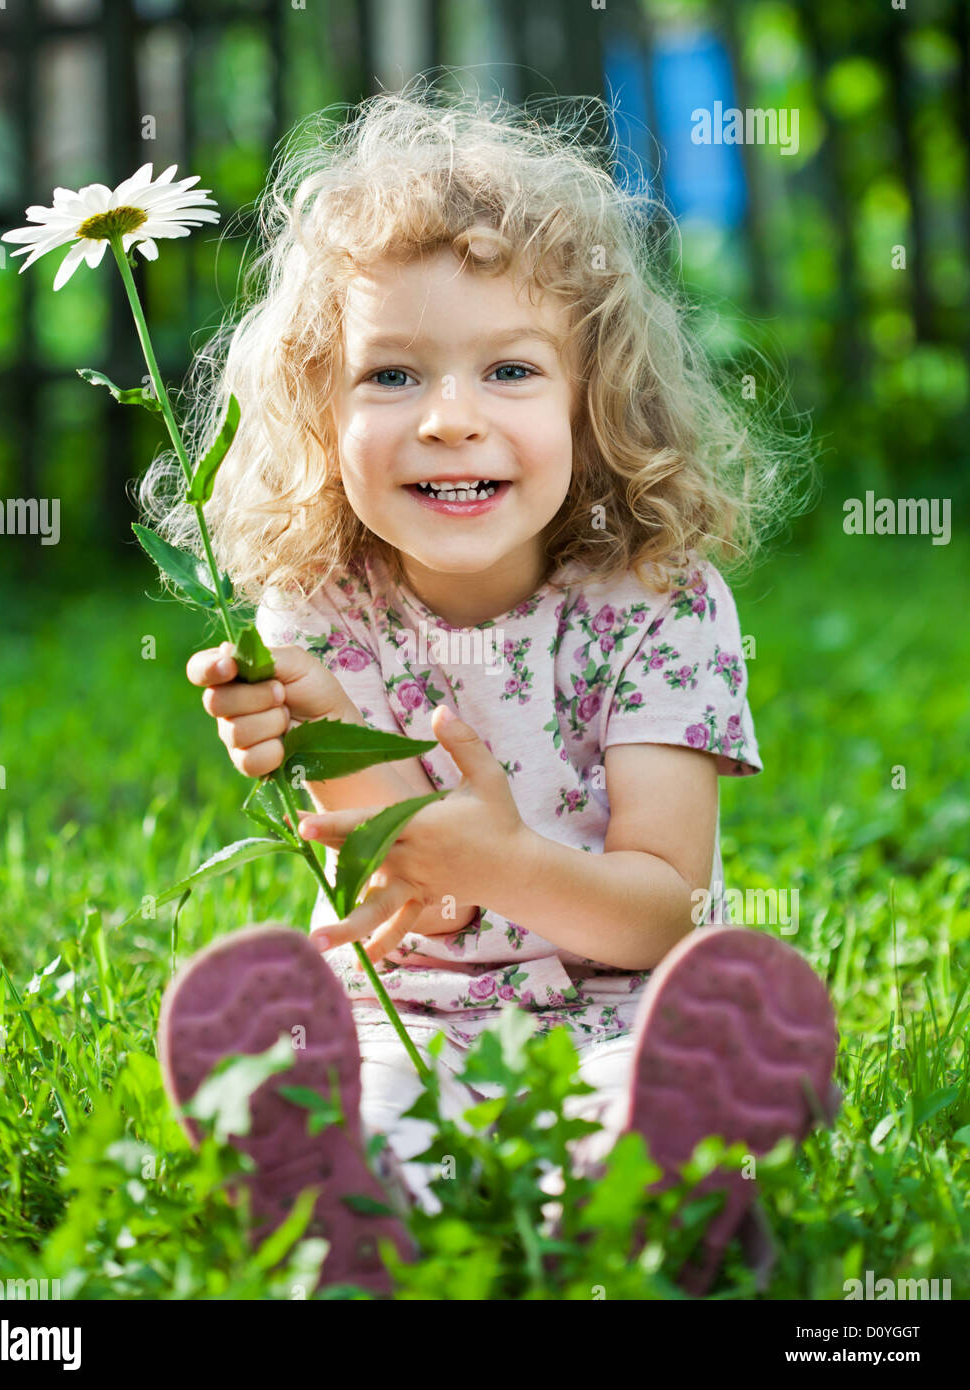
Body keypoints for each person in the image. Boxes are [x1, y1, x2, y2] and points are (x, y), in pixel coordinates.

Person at [144, 78, 838, 1297]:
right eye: (392, 377)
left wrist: (496, 858)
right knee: (365, 1083)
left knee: (623, 1089)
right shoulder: (317, 608)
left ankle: (647, 1181)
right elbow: (394, 875)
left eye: (508, 371)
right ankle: (342, 1198)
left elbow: (659, 914)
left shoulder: (660, 604)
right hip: (401, 1006)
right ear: (317, 409)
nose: (448, 421)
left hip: (616, 1008)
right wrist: (286, 723)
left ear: (592, 395)